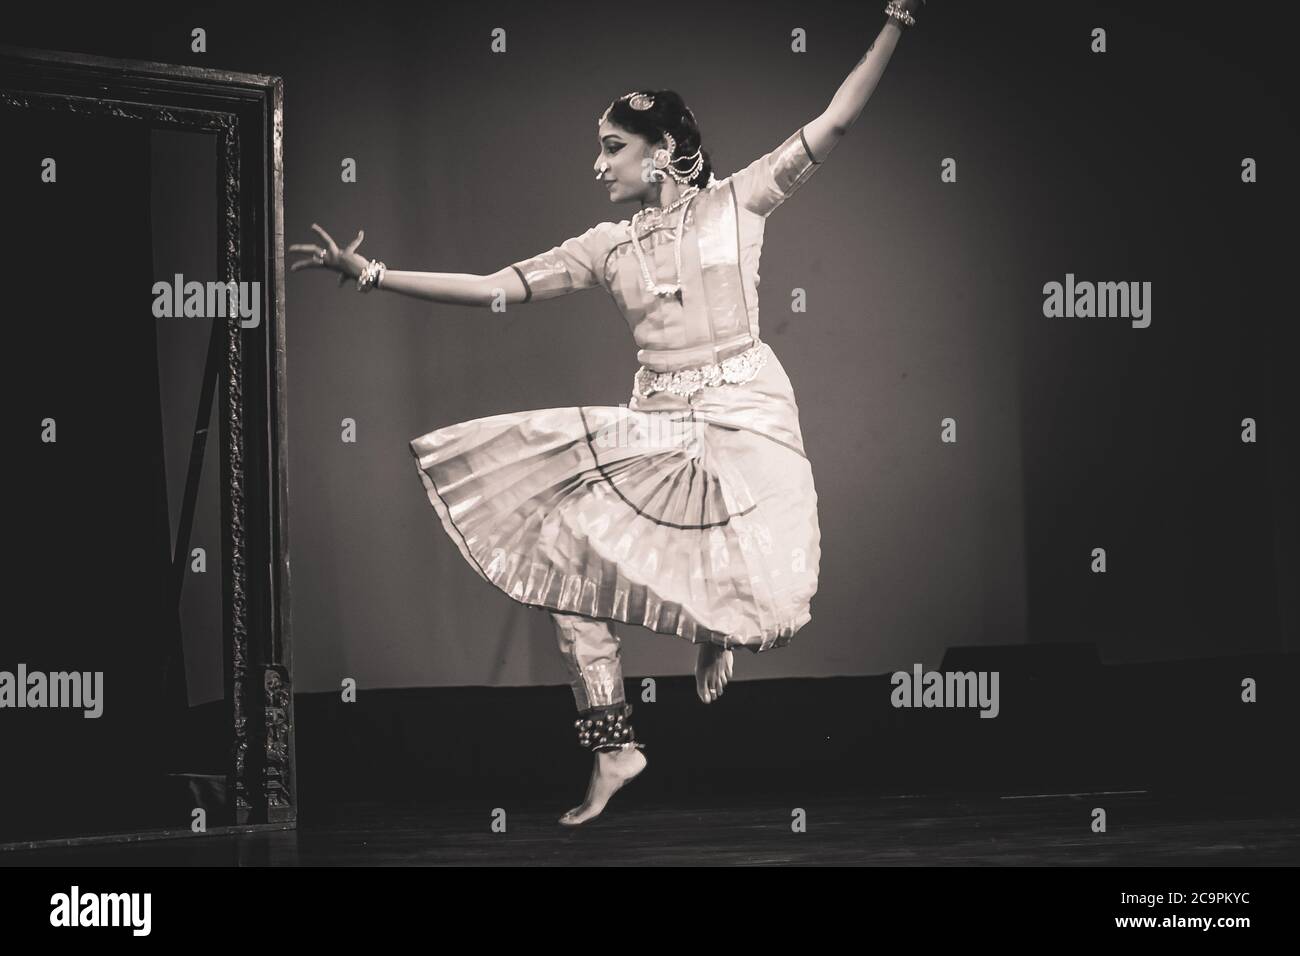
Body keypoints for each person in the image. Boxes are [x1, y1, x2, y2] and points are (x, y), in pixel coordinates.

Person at [292, 0, 926, 826]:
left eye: (613, 147)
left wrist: (894, 24)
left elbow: (835, 121)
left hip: (740, 414)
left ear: (663, 151)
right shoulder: (606, 246)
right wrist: (373, 274)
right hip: (657, 421)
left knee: (764, 589)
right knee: (564, 562)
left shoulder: (741, 202)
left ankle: (715, 627)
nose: (600, 164)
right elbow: (495, 289)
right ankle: (613, 745)